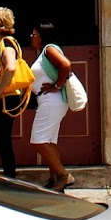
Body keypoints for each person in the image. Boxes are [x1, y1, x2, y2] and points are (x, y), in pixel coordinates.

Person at [28, 21, 77, 192]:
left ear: (42, 35)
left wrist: (57, 85)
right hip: (50, 102)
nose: (31, 37)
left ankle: (63, 175)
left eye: (34, 33)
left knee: (38, 140)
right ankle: (54, 178)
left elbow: (66, 64)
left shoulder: (49, 49)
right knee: (49, 141)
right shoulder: (44, 52)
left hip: (51, 101)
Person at [0, 6, 27, 178]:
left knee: (3, 142)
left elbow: (10, 67)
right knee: (2, 142)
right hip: (3, 99)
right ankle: (10, 176)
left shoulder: (6, 43)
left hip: (4, 99)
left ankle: (10, 178)